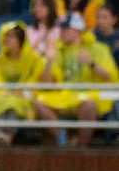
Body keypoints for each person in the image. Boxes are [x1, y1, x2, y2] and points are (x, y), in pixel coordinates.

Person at [34, 13, 113, 149]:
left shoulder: (97, 48)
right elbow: (46, 84)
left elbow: (109, 76)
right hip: (63, 95)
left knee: (88, 104)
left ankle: (81, 148)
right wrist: (49, 61)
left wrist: (91, 64)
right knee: (39, 102)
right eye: (61, 29)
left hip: (88, 95)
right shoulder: (57, 50)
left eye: (66, 29)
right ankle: (62, 139)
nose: (62, 33)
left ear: (77, 30)